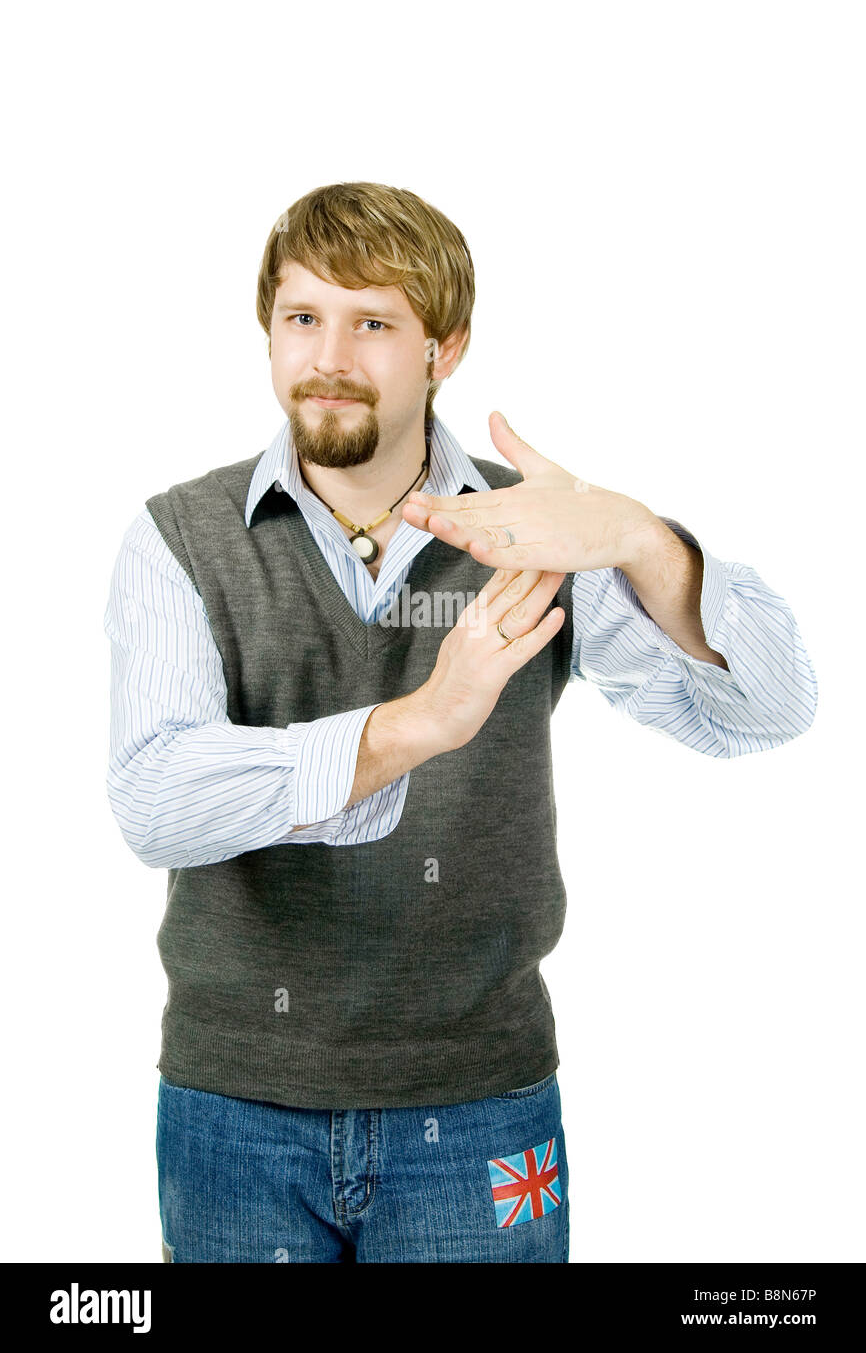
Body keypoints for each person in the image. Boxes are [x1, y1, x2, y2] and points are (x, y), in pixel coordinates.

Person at [103, 182, 818, 1263]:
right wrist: (417, 724)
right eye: (303, 317)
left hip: (482, 1105)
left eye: (374, 324)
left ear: (446, 347)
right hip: (234, 1106)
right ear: (268, 331)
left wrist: (636, 537)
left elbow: (766, 710)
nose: (328, 356)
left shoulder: (538, 535)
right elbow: (157, 800)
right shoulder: (179, 537)